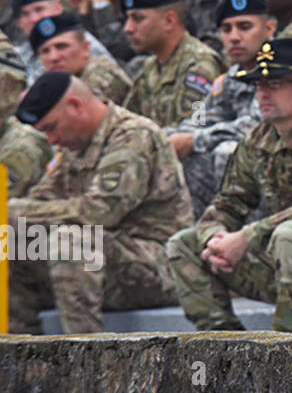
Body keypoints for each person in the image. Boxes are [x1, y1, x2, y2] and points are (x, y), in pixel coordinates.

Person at [166, 38, 292, 332]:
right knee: (184, 244)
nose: (263, 93)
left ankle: (291, 348)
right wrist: (215, 238)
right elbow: (228, 202)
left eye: (275, 84)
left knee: (290, 235)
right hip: (284, 265)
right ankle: (222, 344)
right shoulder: (257, 139)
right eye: (259, 85)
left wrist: (246, 236)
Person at [8, 72, 192, 334]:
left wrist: (15, 211)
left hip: (158, 265)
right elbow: (41, 200)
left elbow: (99, 212)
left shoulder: (134, 136)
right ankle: (19, 350)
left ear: (76, 105)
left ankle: (85, 352)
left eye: (51, 127)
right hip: (103, 264)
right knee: (8, 241)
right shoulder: (73, 148)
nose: (51, 140)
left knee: (71, 240)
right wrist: (13, 216)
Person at [166, 0, 273, 212]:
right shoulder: (230, 77)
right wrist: (169, 138)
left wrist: (194, 139)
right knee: (171, 144)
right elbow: (201, 118)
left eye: (244, 27)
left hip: (281, 160)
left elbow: (259, 127)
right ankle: (200, 226)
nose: (234, 37)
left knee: (227, 151)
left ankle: (242, 227)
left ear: (269, 29)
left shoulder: (283, 70)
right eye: (226, 29)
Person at [122, 0, 225, 128]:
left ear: (169, 21)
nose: (128, 28)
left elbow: (195, 128)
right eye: (128, 19)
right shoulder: (150, 67)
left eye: (138, 19)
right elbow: (127, 122)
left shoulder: (199, 65)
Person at [29, 11, 131, 104]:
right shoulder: (55, 82)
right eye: (45, 51)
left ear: (85, 48)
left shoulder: (99, 75)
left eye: (62, 46)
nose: (53, 57)